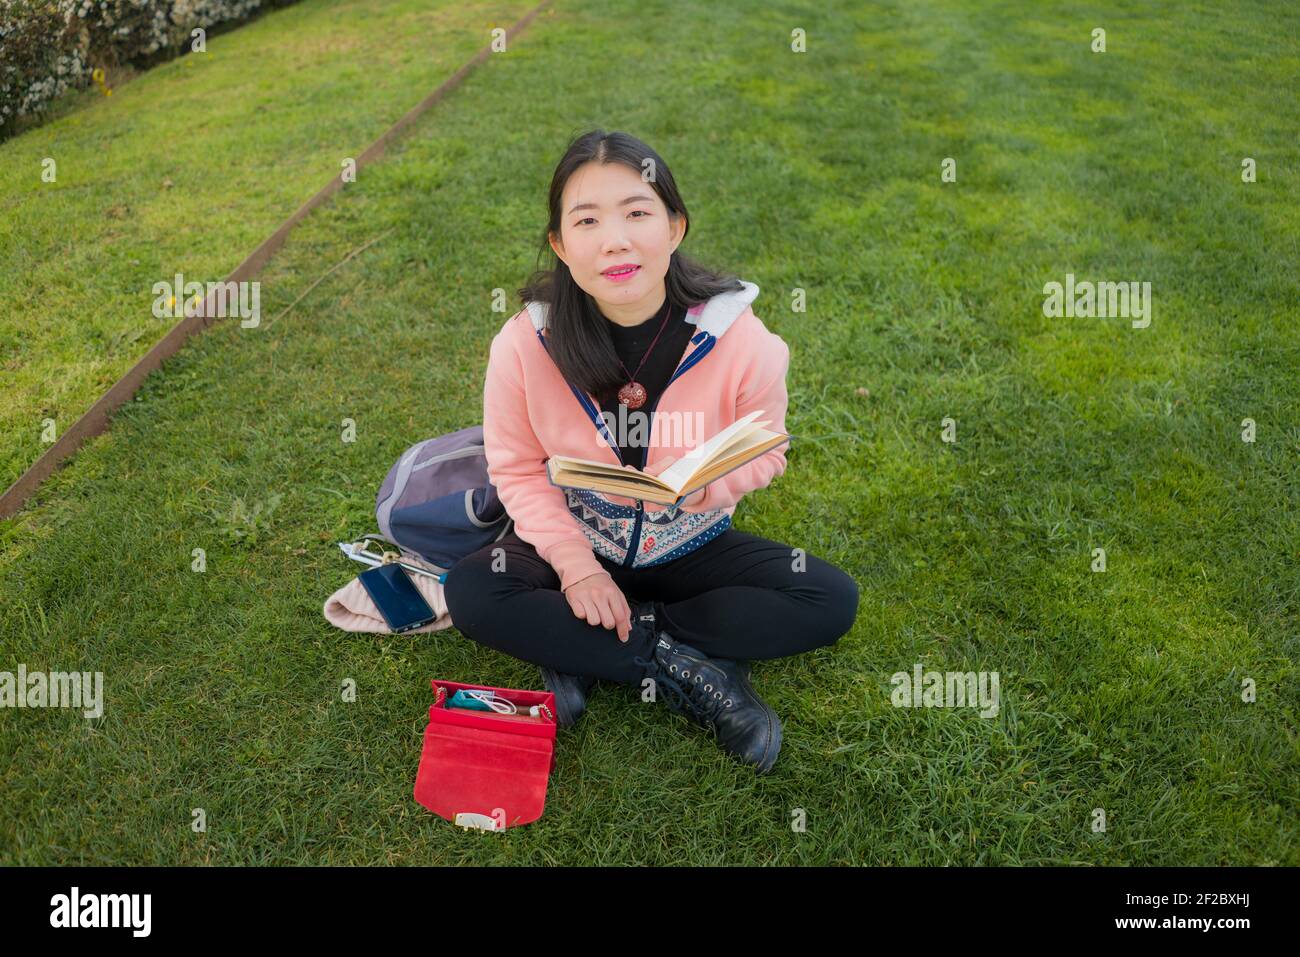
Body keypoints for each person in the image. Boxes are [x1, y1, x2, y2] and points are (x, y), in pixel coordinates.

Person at [443, 129, 859, 773]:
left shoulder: (741, 340)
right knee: (474, 590)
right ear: (560, 243)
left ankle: (585, 645)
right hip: (571, 539)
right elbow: (519, 469)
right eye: (587, 220)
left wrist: (705, 487)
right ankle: (686, 667)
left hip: (688, 541)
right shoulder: (526, 343)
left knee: (827, 598)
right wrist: (577, 568)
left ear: (674, 226)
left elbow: (767, 451)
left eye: (638, 213)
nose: (615, 240)